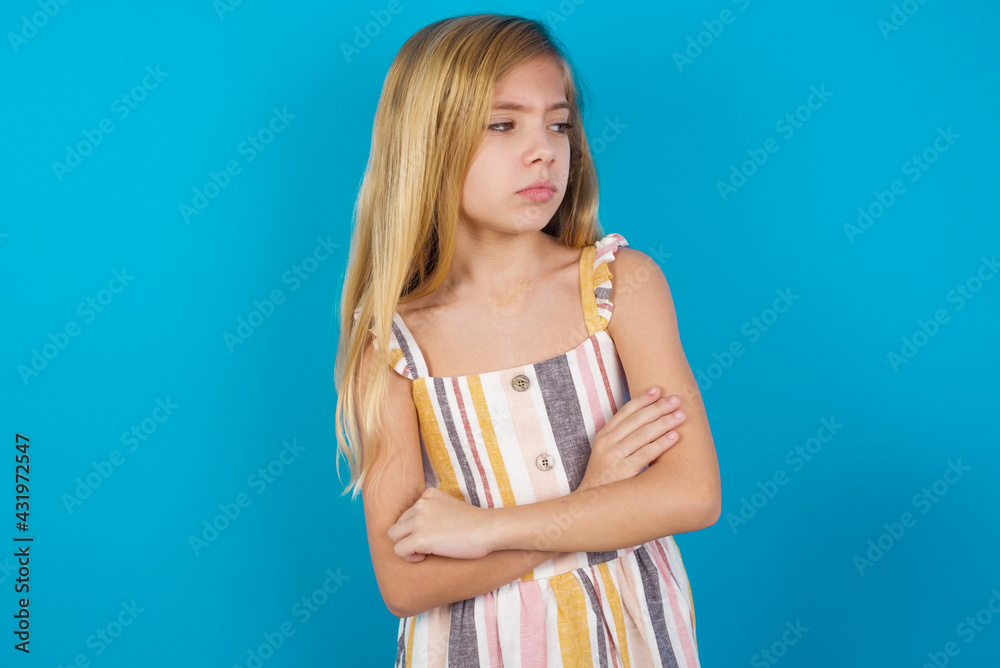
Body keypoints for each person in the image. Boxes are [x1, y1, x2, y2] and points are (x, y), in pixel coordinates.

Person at [334, 13, 721, 667]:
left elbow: (693, 494)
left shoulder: (620, 286)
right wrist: (593, 503)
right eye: (503, 124)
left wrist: (485, 531)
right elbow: (406, 583)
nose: (544, 149)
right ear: (430, 142)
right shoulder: (396, 348)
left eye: (559, 123)